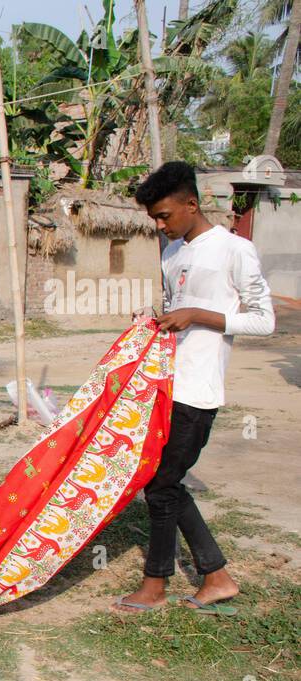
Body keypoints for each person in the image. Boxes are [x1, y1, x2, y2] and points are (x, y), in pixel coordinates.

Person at [114, 161, 274, 616]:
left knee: (162, 486)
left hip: (198, 390)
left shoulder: (233, 249)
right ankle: (215, 576)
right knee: (163, 484)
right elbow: (175, 313)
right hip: (165, 386)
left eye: (165, 216)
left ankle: (157, 584)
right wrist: (153, 322)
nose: (161, 226)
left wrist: (199, 315)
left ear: (192, 203)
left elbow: (264, 320)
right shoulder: (172, 252)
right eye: (155, 220)